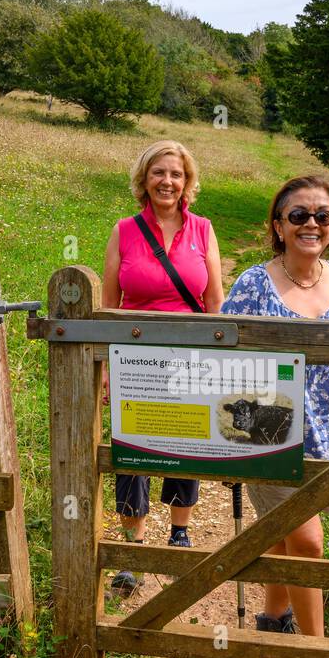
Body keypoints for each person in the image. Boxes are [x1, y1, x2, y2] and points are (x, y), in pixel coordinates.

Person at [220, 175, 329, 658]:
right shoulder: (252, 287)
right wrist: (231, 442)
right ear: (278, 225)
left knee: (289, 536)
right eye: (299, 215)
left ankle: (275, 616)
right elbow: (225, 366)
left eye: (323, 216)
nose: (312, 224)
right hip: (271, 435)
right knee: (307, 542)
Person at [103, 140, 224, 594]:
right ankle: (133, 546)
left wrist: (218, 360)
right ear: (144, 179)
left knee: (183, 439)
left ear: (187, 182)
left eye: (176, 174)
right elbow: (109, 306)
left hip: (190, 358)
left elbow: (214, 304)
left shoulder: (204, 229)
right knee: (132, 450)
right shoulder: (124, 230)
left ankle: (179, 530)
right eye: (158, 173)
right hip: (134, 357)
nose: (167, 181)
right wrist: (106, 369)